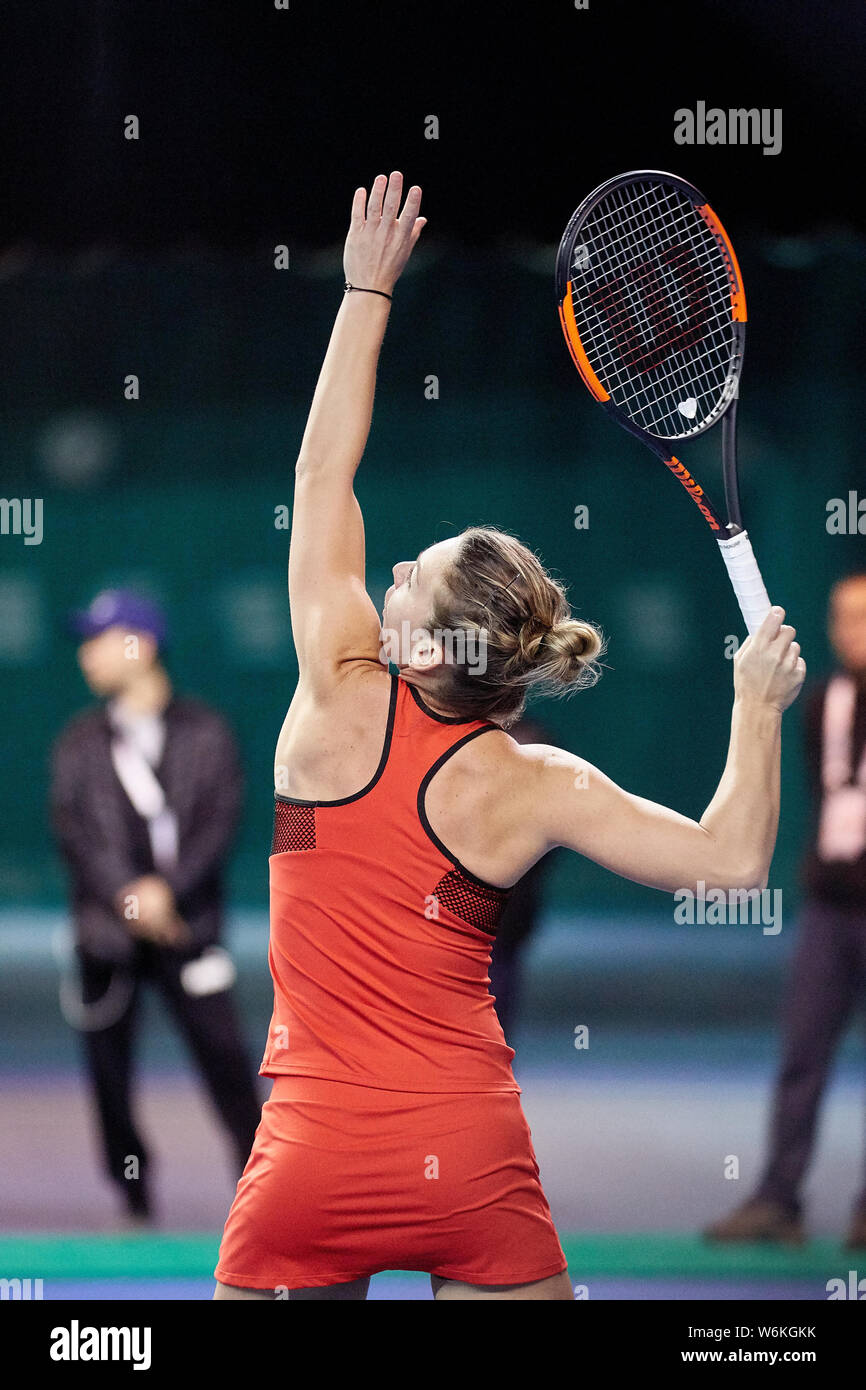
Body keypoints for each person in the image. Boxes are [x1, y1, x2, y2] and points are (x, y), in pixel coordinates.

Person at [213, 172, 805, 1301]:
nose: (386, 573)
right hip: (468, 1164)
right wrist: (751, 712)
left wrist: (364, 291)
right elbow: (732, 860)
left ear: (426, 653)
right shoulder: (534, 782)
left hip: (311, 1164)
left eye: (409, 579)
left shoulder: (335, 695)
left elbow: (319, 472)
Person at [50, 589, 262, 1225]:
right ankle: (134, 1199)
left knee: (227, 1064)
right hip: (106, 938)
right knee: (108, 1078)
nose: (86, 654)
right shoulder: (79, 742)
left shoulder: (207, 733)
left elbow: (219, 822)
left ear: (139, 645)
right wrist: (128, 897)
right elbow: (75, 830)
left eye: (99, 639)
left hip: (189, 932)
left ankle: (262, 1193)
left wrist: (169, 893)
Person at [704, 572, 866, 1250]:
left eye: (861, 616)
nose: (846, 628)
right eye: (840, 615)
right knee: (802, 1052)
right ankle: (778, 1201)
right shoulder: (820, 698)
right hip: (829, 910)